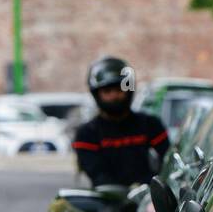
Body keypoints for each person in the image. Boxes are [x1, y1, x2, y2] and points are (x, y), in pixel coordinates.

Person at [73, 56, 170, 187]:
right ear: (97, 94)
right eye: (107, 91)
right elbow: (96, 173)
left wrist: (147, 186)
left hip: (149, 200)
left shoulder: (151, 125)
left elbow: (168, 163)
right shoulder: (86, 134)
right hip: (107, 201)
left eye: (120, 89)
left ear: (129, 90)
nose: (114, 96)